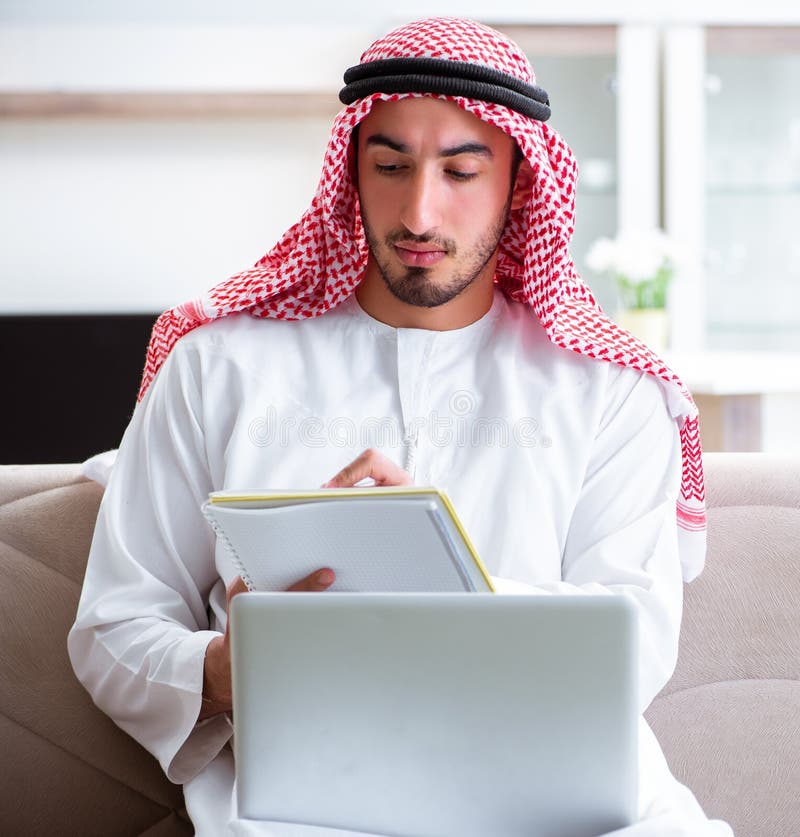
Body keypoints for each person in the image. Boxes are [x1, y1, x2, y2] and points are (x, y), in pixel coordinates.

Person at [69, 17, 731, 837]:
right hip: (308, 809)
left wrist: (434, 585)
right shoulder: (218, 368)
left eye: (461, 170)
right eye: (390, 167)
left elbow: (629, 650)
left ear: (522, 182)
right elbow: (112, 628)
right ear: (351, 174)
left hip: (572, 801)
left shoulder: (611, 390)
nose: (420, 212)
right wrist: (227, 666)